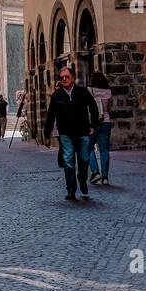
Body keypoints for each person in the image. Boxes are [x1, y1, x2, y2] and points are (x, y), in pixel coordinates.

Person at [43, 65, 99, 202]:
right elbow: (50, 116)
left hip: (83, 132)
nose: (64, 79)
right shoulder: (57, 96)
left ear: (73, 78)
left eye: (67, 77)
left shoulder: (82, 92)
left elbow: (94, 108)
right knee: (68, 161)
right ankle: (71, 189)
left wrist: (93, 126)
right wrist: (46, 134)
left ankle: (82, 178)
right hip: (66, 134)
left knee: (84, 159)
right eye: (62, 77)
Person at [87, 70, 113, 186]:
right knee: (104, 150)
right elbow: (109, 109)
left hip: (92, 123)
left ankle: (95, 171)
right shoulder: (108, 91)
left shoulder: (89, 90)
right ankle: (105, 177)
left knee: (88, 148)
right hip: (106, 122)